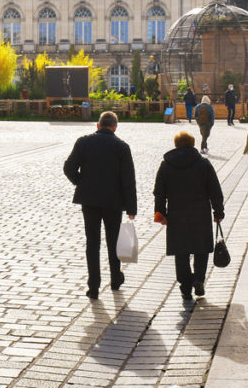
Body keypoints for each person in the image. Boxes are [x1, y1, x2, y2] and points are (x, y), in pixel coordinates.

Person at [63, 111, 138, 300]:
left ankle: (93, 286)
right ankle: (115, 279)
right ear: (115, 127)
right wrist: (131, 208)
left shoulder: (83, 142)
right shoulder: (122, 147)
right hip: (113, 201)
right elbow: (128, 180)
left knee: (92, 242)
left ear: (98, 125)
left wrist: (81, 183)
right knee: (113, 241)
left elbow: (68, 167)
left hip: (89, 200)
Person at [153, 131, 225, 302]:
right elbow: (215, 191)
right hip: (200, 212)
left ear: (176, 144)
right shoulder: (203, 164)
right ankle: (199, 279)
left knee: (181, 250)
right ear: (193, 144)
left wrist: (160, 213)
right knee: (201, 248)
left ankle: (185, 286)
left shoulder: (166, 165)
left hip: (177, 213)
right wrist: (218, 211)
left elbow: (159, 193)